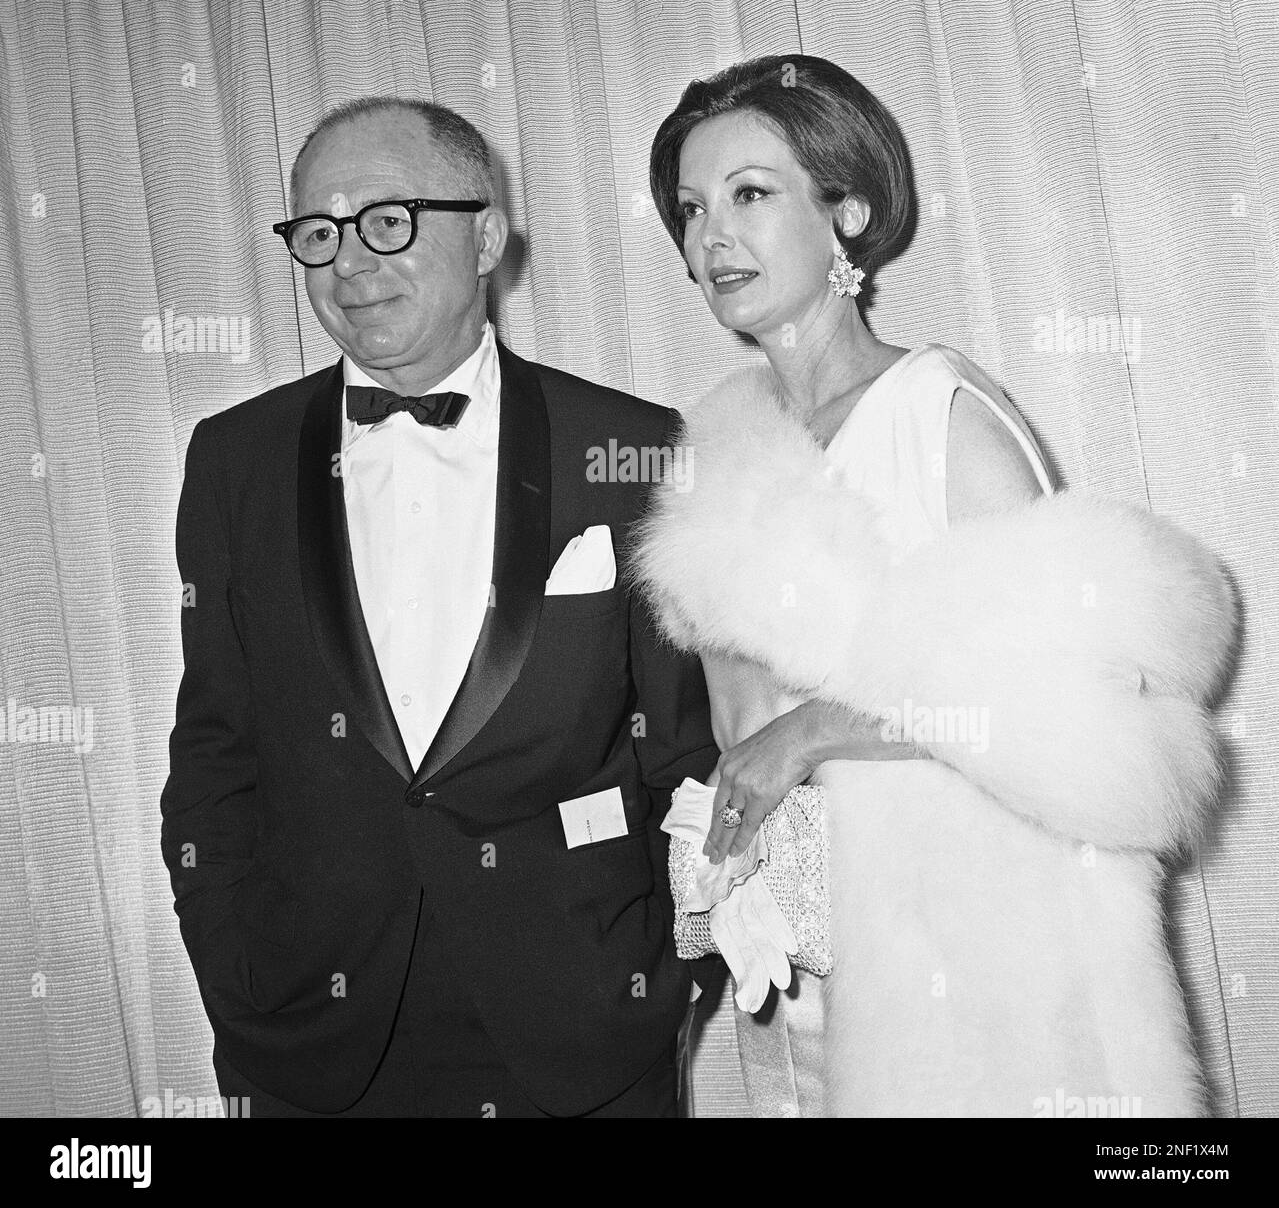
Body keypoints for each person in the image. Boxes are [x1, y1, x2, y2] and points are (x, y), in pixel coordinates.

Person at [635, 54, 1238, 1117]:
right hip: (791, 955)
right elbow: (734, 727)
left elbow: (1066, 708)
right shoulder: (724, 439)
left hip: (970, 970)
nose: (709, 236)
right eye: (690, 208)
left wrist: (814, 730)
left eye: (750, 194)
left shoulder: (941, 412)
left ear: (848, 215)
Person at [160, 96, 718, 1118]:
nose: (349, 264)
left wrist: (664, 982)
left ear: (488, 236)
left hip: (581, 1032)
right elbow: (214, 751)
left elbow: (685, 758)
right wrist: (237, 977)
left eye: (387, 220)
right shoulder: (233, 459)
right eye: (316, 234)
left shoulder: (635, 450)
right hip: (311, 1037)